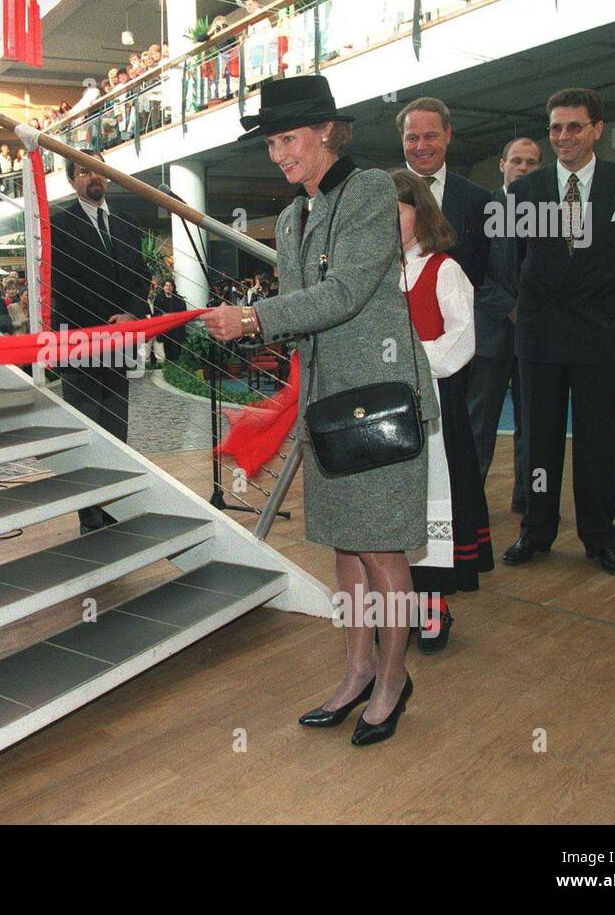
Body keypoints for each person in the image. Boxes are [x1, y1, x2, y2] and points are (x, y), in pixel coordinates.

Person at [200, 75, 436, 745]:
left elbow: (344, 293)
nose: (280, 154)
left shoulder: (367, 191)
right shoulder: (299, 214)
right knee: (345, 548)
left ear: (327, 131)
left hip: (377, 399)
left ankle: (393, 677)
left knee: (383, 547)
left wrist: (251, 317)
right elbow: (311, 314)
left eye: (290, 139)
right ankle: (357, 668)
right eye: (272, 143)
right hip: (327, 403)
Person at [503, 88, 615, 578]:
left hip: (602, 339)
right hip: (541, 339)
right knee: (539, 440)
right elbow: (511, 264)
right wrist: (527, 312)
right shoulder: (524, 192)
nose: (564, 136)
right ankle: (537, 530)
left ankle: (599, 537)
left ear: (596, 129)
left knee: (597, 442)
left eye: (574, 126)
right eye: (556, 128)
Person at [392, 169, 493, 654]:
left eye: (399, 206)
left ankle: (433, 602)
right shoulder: (370, 273)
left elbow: (464, 338)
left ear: (421, 212)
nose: (388, 218)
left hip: (431, 406)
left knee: (432, 501)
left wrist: (410, 360)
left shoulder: (443, 269)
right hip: (384, 411)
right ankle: (397, 606)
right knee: (390, 508)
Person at [49, 148, 149, 534]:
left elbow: (140, 278)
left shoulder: (126, 225)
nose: (95, 177)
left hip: (120, 341)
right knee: (88, 431)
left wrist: (132, 314)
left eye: (100, 171)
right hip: (80, 343)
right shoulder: (59, 225)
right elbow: (63, 286)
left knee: (115, 429)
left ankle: (115, 509)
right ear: (72, 180)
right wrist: (97, 327)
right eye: (86, 171)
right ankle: (91, 519)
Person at [466, 137, 540, 514]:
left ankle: (528, 499)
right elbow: (471, 271)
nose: (524, 168)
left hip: (536, 338)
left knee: (534, 422)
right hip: (491, 334)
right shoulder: (482, 209)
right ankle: (471, 501)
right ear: (501, 164)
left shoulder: (549, 213)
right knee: (480, 423)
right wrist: (510, 309)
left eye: (531, 163)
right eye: (517, 161)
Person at [396, 97, 490, 287]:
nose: (421, 147)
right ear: (402, 139)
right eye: (412, 138)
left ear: (448, 134)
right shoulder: (377, 193)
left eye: (430, 136)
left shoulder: (478, 199)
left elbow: (487, 274)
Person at [152, 278, 188, 361]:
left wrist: (172, 316)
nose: (168, 287)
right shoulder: (159, 298)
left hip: (176, 328)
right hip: (164, 328)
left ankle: (175, 364)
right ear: (163, 287)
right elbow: (156, 313)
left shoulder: (179, 299)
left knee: (175, 347)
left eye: (170, 285)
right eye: (166, 285)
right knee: (164, 348)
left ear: (173, 287)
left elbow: (183, 313)